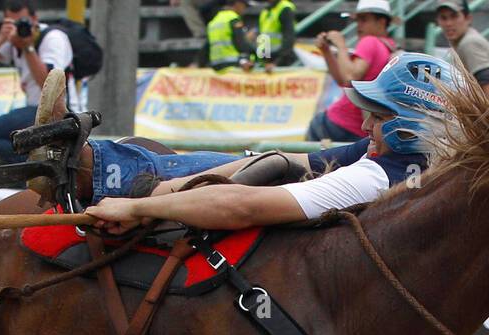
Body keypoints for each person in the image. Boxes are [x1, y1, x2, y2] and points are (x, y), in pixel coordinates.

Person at [83, 53, 454, 233]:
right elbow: (283, 160)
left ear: (410, 127)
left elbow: (240, 207)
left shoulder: (372, 178)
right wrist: (161, 193)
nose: (365, 122)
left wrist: (136, 210)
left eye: (380, 115)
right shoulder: (416, 162)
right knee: (268, 162)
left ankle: (90, 167)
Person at [0, 2, 79, 162]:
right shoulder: (14, 39)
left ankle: (33, 169)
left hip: (58, 110)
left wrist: (28, 48)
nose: (19, 27)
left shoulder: (53, 38)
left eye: (23, 22)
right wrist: (1, 39)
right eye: (13, 23)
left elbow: (48, 84)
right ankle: (37, 168)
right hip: (35, 111)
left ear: (35, 19)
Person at [308, 0, 397, 142]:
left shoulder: (369, 41)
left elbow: (349, 77)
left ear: (381, 22)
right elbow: (343, 81)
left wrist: (341, 45)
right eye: (358, 20)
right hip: (358, 129)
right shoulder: (388, 46)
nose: (358, 25)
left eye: (364, 20)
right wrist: (326, 51)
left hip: (338, 125)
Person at [435, 1, 489, 97]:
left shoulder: (469, 43)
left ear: (468, 18)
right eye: (443, 18)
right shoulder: (463, 42)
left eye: (454, 16)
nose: (448, 23)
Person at [208, 0, 258, 71]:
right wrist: (257, 53)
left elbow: (207, 45)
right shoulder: (233, 19)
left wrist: (196, 63)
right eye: (244, 6)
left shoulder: (214, 21)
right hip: (233, 64)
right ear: (238, 3)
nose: (244, 10)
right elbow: (240, 43)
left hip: (216, 67)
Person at [257, 0, 297, 69]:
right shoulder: (265, 11)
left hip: (281, 61)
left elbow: (289, 38)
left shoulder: (285, 8)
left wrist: (276, 63)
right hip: (267, 61)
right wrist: (264, 61)